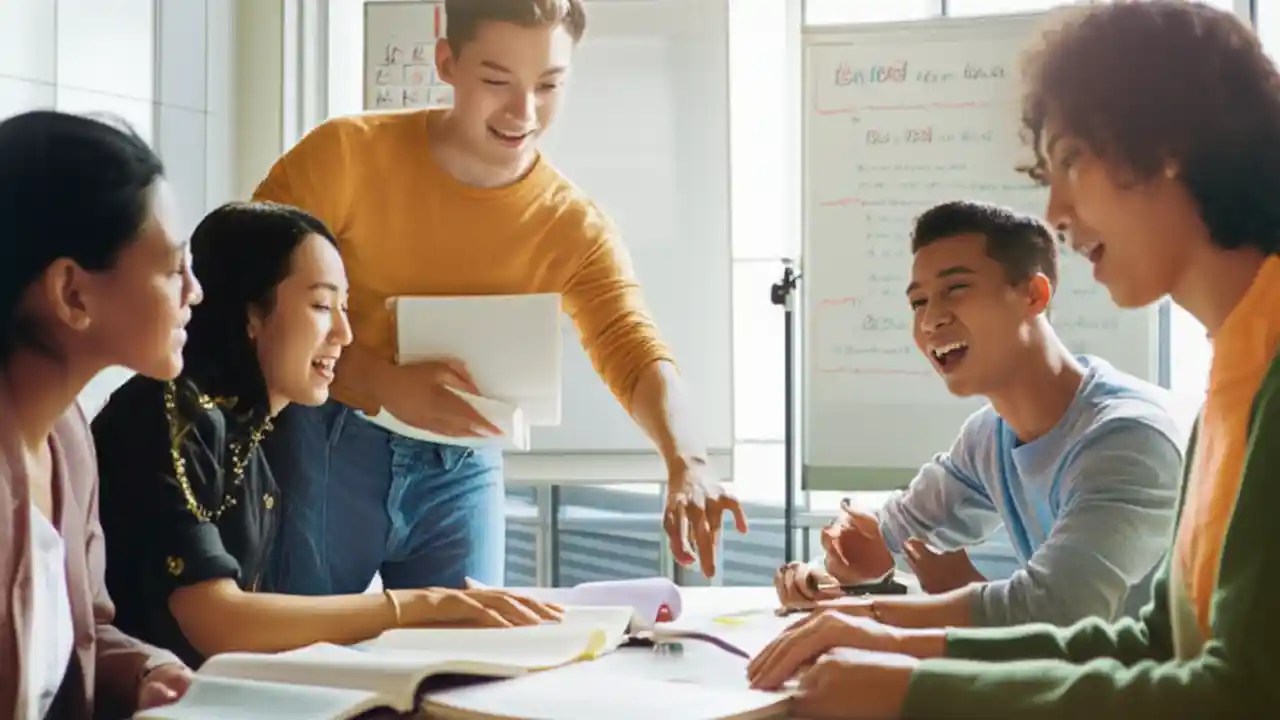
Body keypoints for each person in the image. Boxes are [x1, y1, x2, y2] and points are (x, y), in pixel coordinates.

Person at [746, 2, 1280, 717]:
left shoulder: (1241, 387)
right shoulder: (1233, 377)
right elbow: (1154, 642)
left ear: (1166, 145)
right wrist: (881, 633)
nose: (1055, 209)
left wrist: (913, 687)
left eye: (1070, 161)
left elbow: (1237, 692)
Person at [252, 0, 746, 596]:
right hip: (325, 436)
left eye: (549, 85)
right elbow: (246, 293)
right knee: (308, 654)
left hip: (466, 461)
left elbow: (634, 349)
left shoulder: (573, 226)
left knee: (472, 657)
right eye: (495, 81)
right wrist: (383, 384)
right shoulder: (343, 157)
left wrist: (686, 459)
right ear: (446, 62)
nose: (523, 111)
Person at [92, 202, 562, 669]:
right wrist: (418, 607)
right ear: (251, 313)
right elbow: (217, 621)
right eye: (320, 305)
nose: (345, 333)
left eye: (344, 307)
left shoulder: (251, 439)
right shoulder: (170, 413)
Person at [776, 200, 1184, 629]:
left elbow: (1057, 611)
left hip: (1164, 690)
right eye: (918, 302)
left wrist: (892, 608)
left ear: (1033, 295)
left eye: (956, 290)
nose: (931, 319)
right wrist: (826, 571)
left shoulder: (1127, 440)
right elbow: (897, 529)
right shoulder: (990, 436)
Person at [0, 110, 195, 719]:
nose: (195, 291)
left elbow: (77, 632)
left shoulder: (67, 437)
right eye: (172, 267)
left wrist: (145, 671)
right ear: (72, 294)